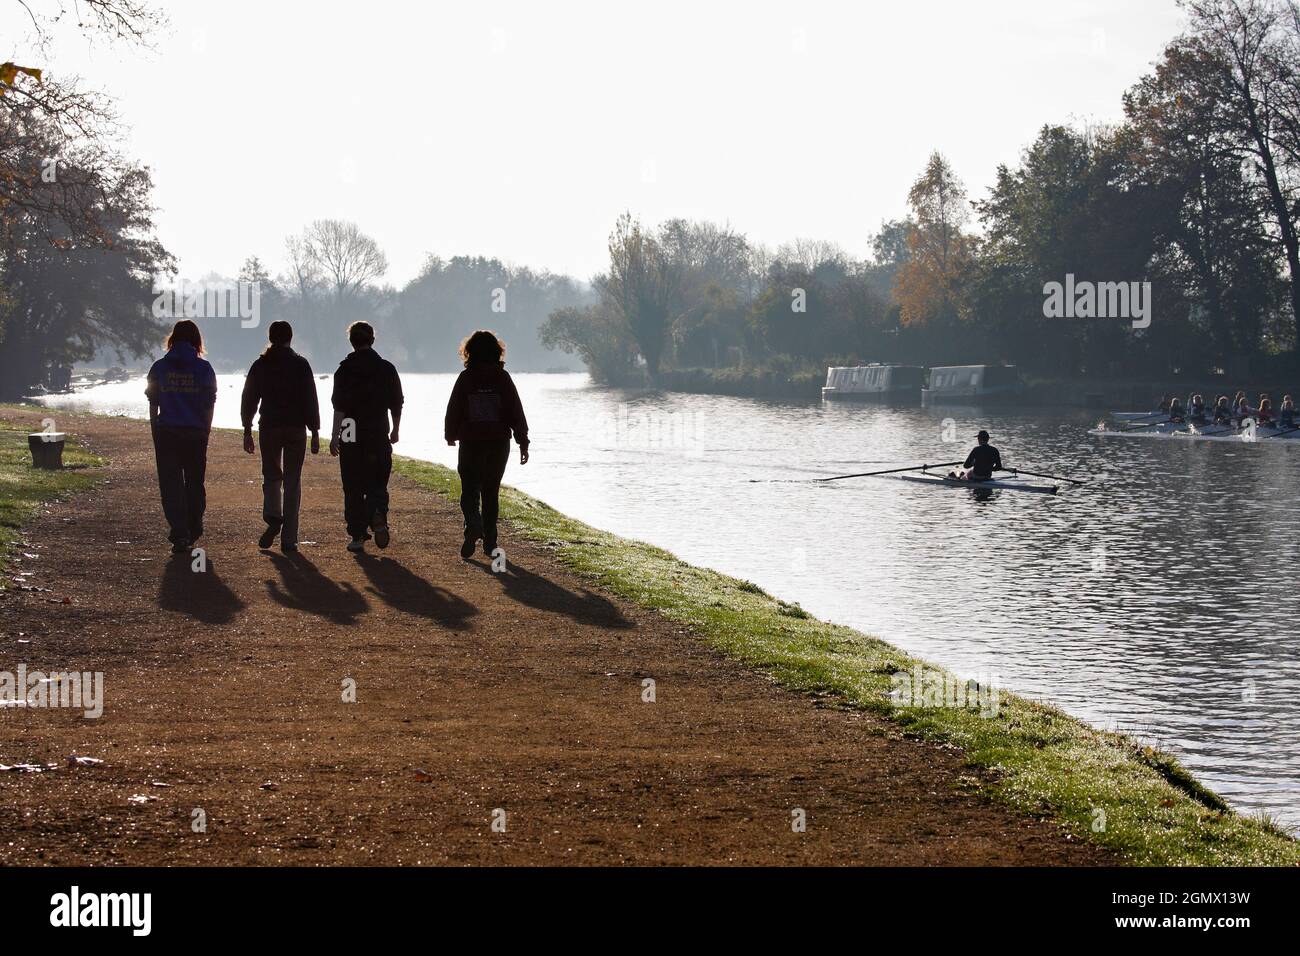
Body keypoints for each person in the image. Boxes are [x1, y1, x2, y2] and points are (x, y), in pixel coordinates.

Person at [444, 330, 530, 559]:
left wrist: (450, 434)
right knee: (490, 492)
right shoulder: (503, 378)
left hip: (471, 441)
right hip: (498, 442)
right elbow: (515, 412)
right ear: (496, 352)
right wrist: (523, 441)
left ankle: (473, 523)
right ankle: (490, 542)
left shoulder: (466, 378)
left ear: (469, 352)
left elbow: (454, 408)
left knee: (469, 489)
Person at [240, 320, 321, 552]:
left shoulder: (261, 364)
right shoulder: (301, 364)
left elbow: (249, 399)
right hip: (296, 429)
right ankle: (289, 539)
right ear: (290, 338)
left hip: (270, 427)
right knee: (293, 481)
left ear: (270, 337)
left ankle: (273, 516)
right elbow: (310, 399)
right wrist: (314, 430)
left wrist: (247, 429)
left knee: (272, 475)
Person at [329, 321, 403, 553]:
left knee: (352, 485)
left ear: (351, 341)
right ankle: (377, 511)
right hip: (377, 429)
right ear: (372, 339)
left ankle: (357, 535)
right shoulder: (386, 368)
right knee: (377, 479)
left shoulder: (344, 370)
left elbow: (339, 407)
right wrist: (396, 429)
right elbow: (397, 403)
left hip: (350, 430)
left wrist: (334, 436)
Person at [146, 320, 218, 553]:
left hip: (167, 432)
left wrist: (154, 430)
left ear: (172, 340)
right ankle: (194, 525)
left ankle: (179, 531)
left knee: (171, 484)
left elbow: (153, 404)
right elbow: (209, 404)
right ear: (196, 341)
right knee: (195, 482)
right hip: (196, 433)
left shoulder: (159, 367)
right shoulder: (204, 369)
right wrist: (206, 431)